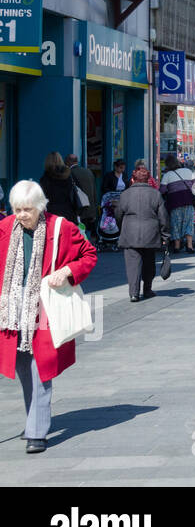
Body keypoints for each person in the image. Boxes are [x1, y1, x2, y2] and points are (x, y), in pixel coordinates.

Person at [0, 180, 99, 454]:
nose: (21, 215)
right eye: (17, 209)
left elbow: (89, 254)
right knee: (22, 366)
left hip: (45, 304)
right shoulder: (6, 228)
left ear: (40, 206)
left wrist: (66, 271)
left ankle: (37, 431)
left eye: (27, 210)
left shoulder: (61, 227)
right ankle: (34, 417)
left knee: (40, 366)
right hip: (11, 306)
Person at [115, 168, 168, 302]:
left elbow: (118, 214)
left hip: (130, 234)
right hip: (150, 234)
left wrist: (123, 228)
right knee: (149, 263)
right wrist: (165, 236)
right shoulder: (155, 194)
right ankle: (147, 289)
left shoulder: (125, 194)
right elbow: (163, 217)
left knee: (132, 265)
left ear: (132, 179)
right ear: (148, 180)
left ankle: (134, 293)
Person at [160, 153, 195, 254]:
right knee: (188, 223)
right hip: (188, 201)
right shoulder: (187, 171)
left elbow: (162, 190)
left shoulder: (167, 175)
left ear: (168, 165)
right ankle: (190, 246)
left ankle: (177, 246)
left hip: (174, 203)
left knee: (175, 223)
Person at [39, 152, 81, 226]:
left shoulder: (45, 178)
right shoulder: (69, 176)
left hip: (51, 214)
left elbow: (42, 197)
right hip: (69, 213)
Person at [65, 154, 97, 232]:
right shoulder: (88, 171)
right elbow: (94, 192)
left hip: (78, 211)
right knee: (87, 236)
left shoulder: (69, 173)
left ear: (68, 162)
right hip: (90, 210)